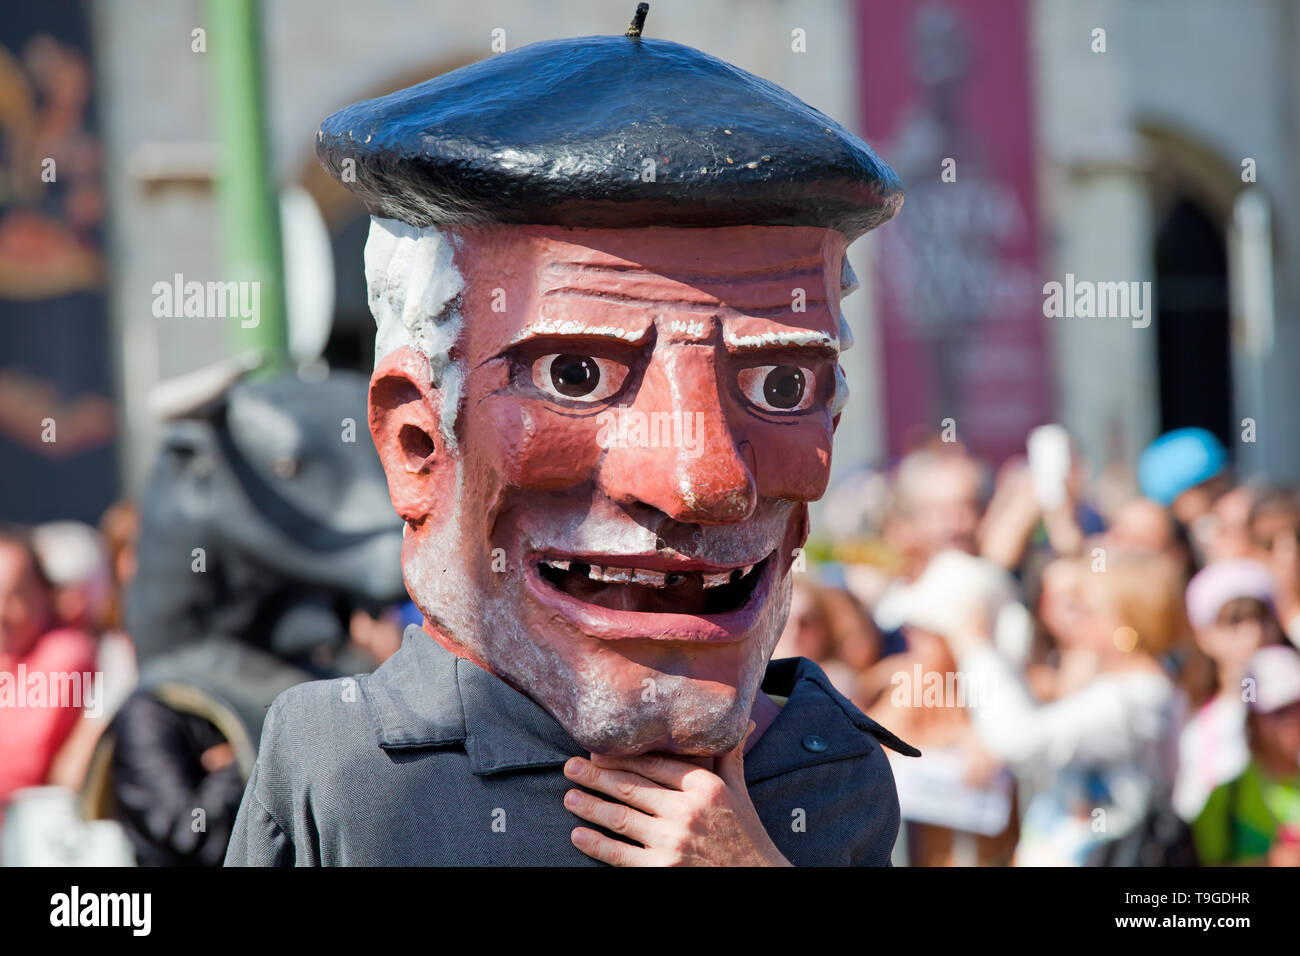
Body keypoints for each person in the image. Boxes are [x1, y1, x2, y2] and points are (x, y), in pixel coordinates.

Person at [226, 13, 917, 867]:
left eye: (780, 387)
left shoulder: (828, 772)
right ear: (418, 441)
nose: (704, 481)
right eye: (575, 375)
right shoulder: (353, 772)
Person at [942, 551, 1186, 865]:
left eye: (1089, 609)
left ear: (1126, 621)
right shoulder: (1129, 685)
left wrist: (976, 649)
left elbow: (1019, 739)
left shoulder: (1138, 697)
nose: (1076, 619)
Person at [1174, 558, 1281, 821]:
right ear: (1204, 635)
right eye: (1234, 623)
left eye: (1261, 619)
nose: (1252, 635)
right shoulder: (1188, 707)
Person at [0, 528, 96, 818]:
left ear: (44, 595)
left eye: (15, 595)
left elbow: (20, 765)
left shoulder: (66, 653)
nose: (2, 610)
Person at [1192, 645, 1300, 866]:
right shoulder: (1224, 797)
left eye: (1297, 706)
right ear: (1253, 719)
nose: (1292, 719)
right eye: (1278, 712)